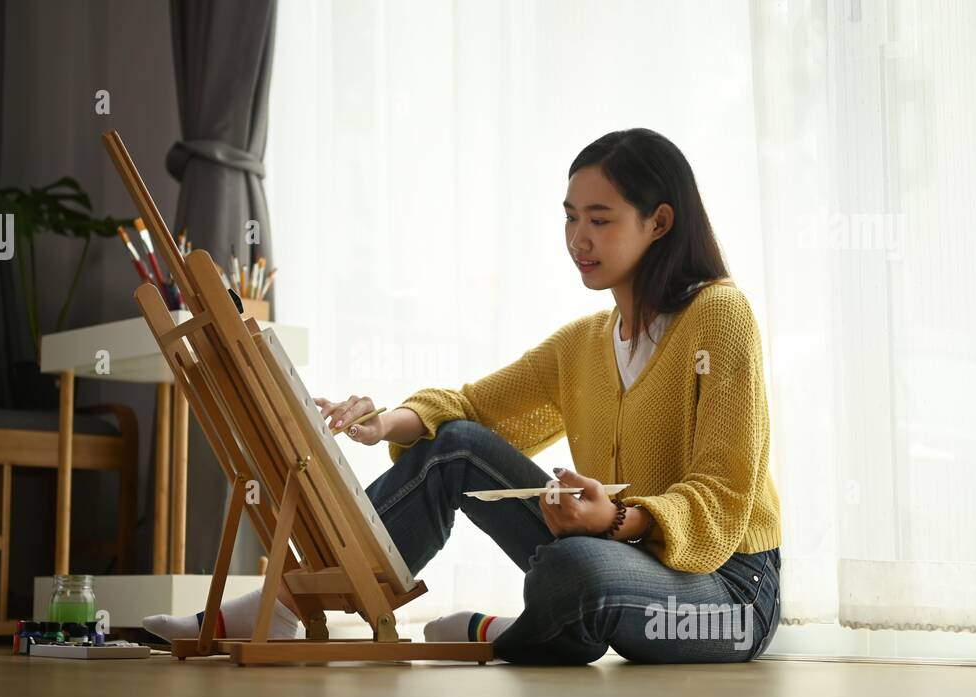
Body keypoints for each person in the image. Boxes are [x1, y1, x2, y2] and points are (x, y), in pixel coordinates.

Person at [145, 128, 782, 664]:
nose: (577, 238)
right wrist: (385, 420)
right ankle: (285, 604)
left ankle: (505, 634)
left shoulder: (719, 316)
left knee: (575, 574)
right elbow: (472, 410)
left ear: (660, 222)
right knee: (455, 449)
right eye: (568, 216)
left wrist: (614, 521)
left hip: (727, 594)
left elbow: (725, 501)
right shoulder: (585, 343)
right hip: (615, 552)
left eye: (599, 219)